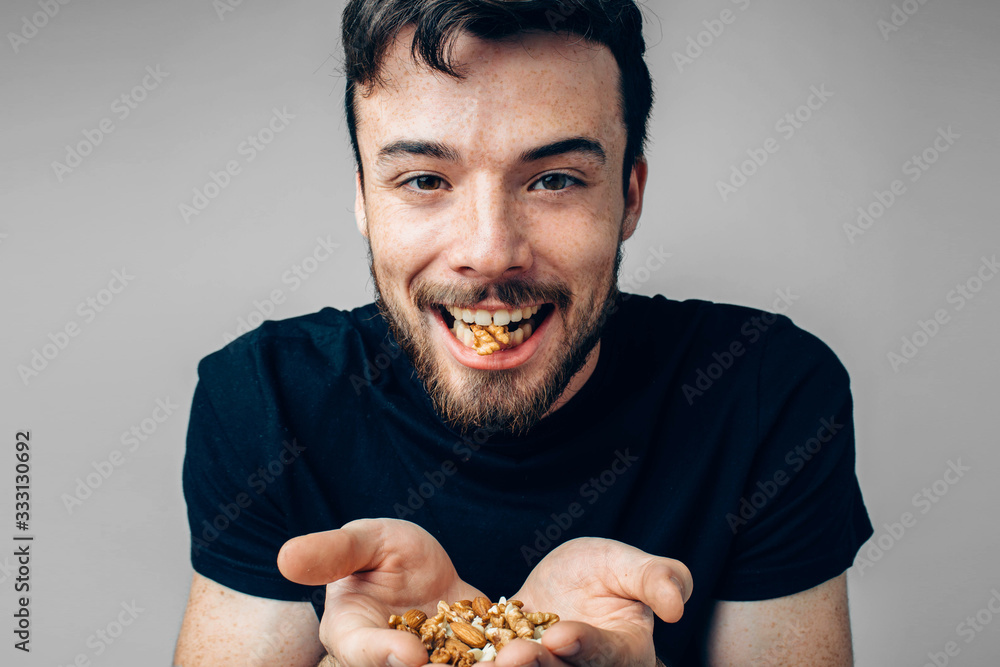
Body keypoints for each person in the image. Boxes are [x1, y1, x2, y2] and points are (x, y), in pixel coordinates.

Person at [173, 1, 873, 665]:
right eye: (423, 179)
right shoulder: (262, 400)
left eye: (555, 180)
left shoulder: (766, 393)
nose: (489, 250)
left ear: (629, 195)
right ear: (363, 198)